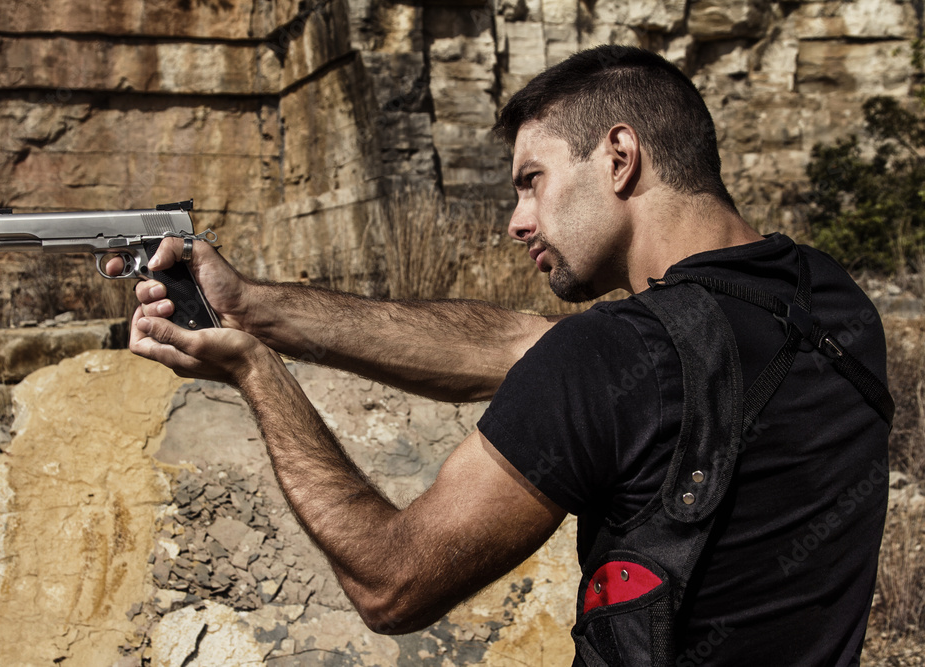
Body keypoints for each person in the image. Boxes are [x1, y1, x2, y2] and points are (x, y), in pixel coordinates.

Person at [109, 45, 891, 665]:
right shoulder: (833, 303)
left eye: (531, 182)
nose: (516, 221)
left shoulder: (611, 359)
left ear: (620, 156)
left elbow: (391, 583)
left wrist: (254, 369)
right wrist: (255, 305)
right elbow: (526, 346)